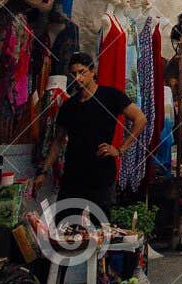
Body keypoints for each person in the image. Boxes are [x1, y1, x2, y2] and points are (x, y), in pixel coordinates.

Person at [34, 53, 146, 222]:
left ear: (92, 72)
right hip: (73, 174)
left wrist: (120, 149)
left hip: (101, 173)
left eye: (82, 72)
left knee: (99, 225)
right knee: (64, 223)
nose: (78, 77)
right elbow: (57, 141)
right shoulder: (69, 106)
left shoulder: (110, 96)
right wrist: (43, 171)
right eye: (73, 74)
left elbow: (140, 119)